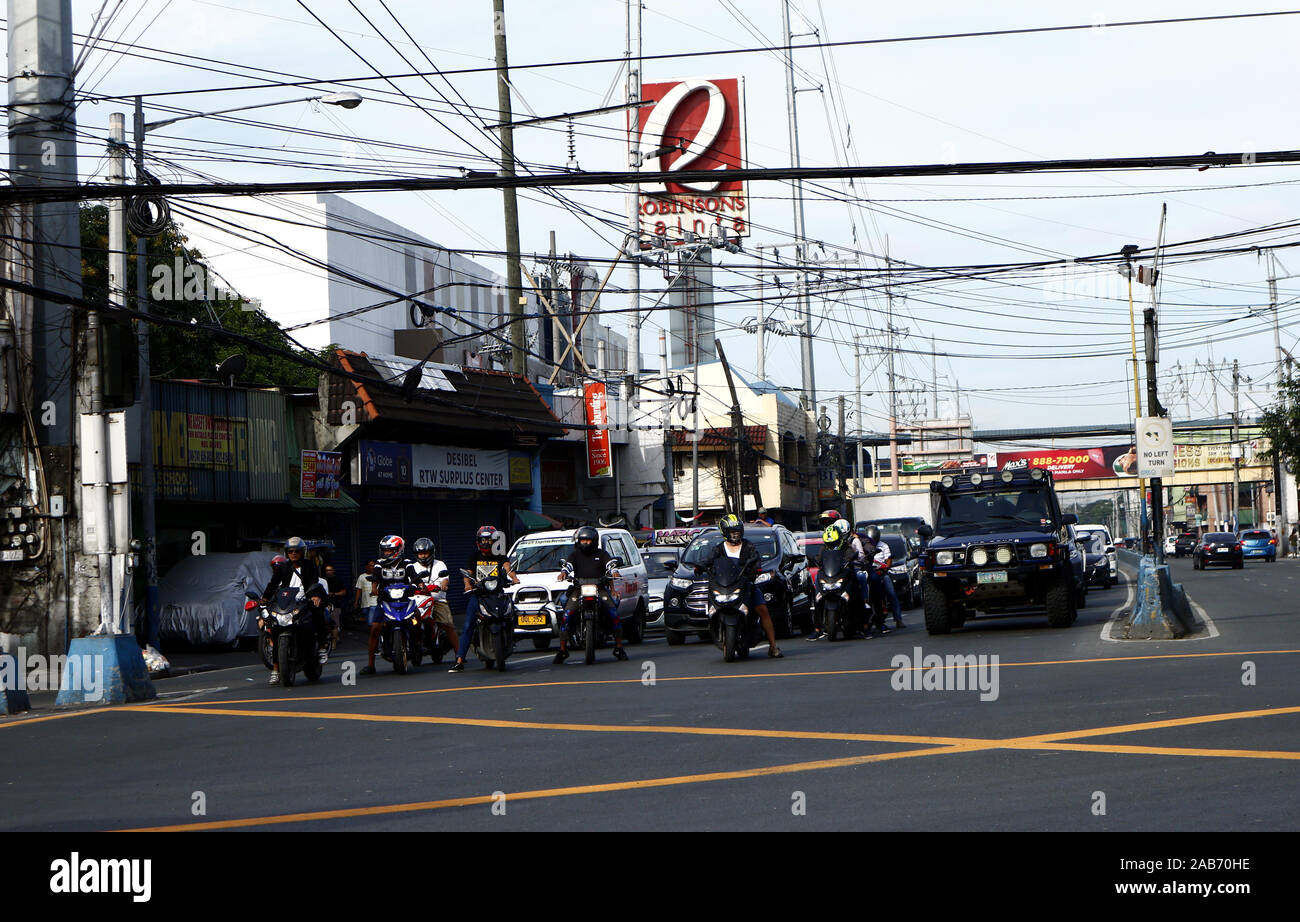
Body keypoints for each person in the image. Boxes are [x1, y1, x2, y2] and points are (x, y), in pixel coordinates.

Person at [698, 513, 783, 657]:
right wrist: (699, 567)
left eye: (737, 531)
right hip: (724, 586)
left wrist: (756, 567)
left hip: (746, 585)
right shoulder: (718, 549)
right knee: (709, 604)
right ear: (725, 533)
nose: (735, 534)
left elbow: (756, 560)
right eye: (732, 532)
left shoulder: (748, 546)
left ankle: (773, 646)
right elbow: (709, 560)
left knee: (762, 608)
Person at [261, 536, 331, 685]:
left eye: (296, 551)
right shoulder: (283, 567)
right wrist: (264, 598)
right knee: (275, 629)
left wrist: (315, 596)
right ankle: (275, 669)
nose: (293, 554)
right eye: (291, 551)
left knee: (317, 615)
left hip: (305, 599)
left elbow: (313, 581)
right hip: (287, 601)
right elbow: (273, 584)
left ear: (302, 552)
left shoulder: (310, 566)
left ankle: (322, 647)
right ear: (287, 553)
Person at [553, 525, 628, 664]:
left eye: (588, 540)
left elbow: (610, 565)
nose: (585, 542)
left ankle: (619, 647)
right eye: (582, 540)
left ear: (594, 540)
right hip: (578, 589)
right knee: (566, 617)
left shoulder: (602, 554)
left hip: (599, 589)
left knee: (614, 614)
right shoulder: (574, 554)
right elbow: (568, 565)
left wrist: (614, 572)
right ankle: (563, 650)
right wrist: (563, 573)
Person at [449, 525, 519, 672]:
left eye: (489, 540)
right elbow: (467, 574)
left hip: (497, 594)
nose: (486, 543)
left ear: (495, 542)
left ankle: (512, 638)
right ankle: (460, 659)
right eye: (483, 540)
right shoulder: (474, 556)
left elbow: (508, 568)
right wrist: (467, 585)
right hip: (479, 595)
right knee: (468, 625)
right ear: (478, 541)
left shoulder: (500, 557)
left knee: (512, 612)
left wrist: (514, 578)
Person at [362, 536, 425, 675]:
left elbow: (414, 576)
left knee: (417, 618)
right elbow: (375, 577)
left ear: (398, 549)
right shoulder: (379, 564)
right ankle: (371, 664)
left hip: (404, 600)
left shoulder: (406, 563)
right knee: (375, 628)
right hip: (386, 601)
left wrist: (420, 585)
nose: (386, 553)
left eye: (390, 550)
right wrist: (374, 588)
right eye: (385, 550)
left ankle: (419, 644)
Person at [809, 519, 870, 641]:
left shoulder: (846, 547)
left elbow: (852, 555)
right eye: (829, 543)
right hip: (829, 577)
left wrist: (851, 559)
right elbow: (819, 559)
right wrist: (814, 560)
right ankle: (817, 629)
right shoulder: (824, 549)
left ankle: (864, 626)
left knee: (857, 595)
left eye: (834, 543)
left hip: (844, 575)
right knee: (816, 597)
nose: (831, 545)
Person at [410, 537, 460, 658]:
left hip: (437, 600)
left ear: (431, 553)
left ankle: (459, 655)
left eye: (425, 553)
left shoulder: (439, 564)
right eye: (420, 553)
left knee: (448, 625)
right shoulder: (411, 567)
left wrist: (443, 585)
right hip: (417, 601)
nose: (423, 556)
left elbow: (445, 579)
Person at [860, 525, 903, 631]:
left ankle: (898, 619)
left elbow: (888, 560)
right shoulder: (863, 545)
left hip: (881, 573)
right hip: (868, 572)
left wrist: (885, 568)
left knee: (891, 593)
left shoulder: (884, 546)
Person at [352, 559, 376, 628]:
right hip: (365, 603)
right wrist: (356, 602)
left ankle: (373, 635)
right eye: (371, 566)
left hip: (374, 602)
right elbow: (359, 590)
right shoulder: (361, 577)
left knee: (370, 622)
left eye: (373, 566)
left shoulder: (377, 576)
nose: (372, 567)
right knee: (367, 618)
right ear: (366, 567)